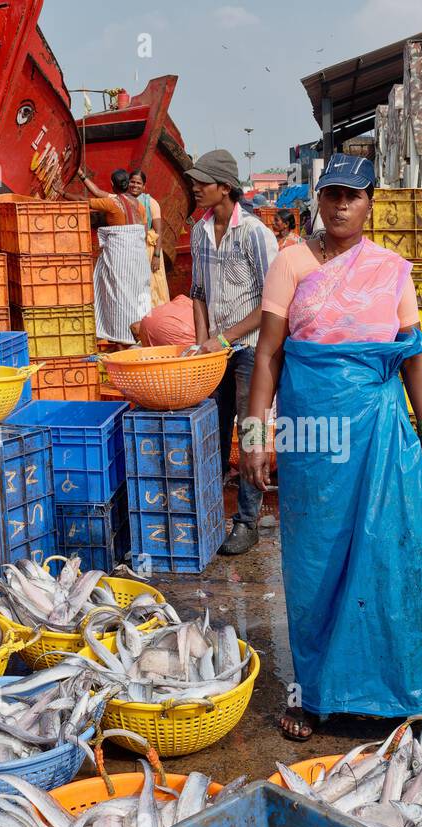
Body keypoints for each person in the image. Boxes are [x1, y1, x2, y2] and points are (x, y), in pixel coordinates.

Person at [241, 153, 422, 741]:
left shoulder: (392, 269)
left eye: (353, 195)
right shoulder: (290, 262)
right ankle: (313, 696)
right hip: (312, 440)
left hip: (381, 433)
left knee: (391, 556)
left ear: (370, 203)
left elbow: (413, 357)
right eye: (332, 193)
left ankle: (397, 694)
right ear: (318, 198)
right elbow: (267, 355)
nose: (341, 205)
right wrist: (255, 437)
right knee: (315, 563)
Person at [187, 149, 278, 556]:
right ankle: (210, 514)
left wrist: (224, 339)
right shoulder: (198, 232)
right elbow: (198, 294)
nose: (195, 187)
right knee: (213, 431)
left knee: (251, 431)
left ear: (225, 188)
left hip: (250, 349)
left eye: (202, 182)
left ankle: (247, 520)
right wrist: (203, 341)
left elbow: (272, 303)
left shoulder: (255, 233)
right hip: (216, 351)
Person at [74, 168, 151, 344]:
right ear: (128, 185)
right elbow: (143, 231)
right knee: (137, 294)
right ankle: (141, 334)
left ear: (112, 184)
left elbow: (82, 201)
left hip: (120, 256)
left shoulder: (111, 203)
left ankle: (120, 338)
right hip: (138, 257)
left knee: (117, 295)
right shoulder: (138, 205)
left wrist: (62, 192)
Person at [128, 169, 170, 309]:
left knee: (153, 286)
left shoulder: (151, 202)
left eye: (138, 183)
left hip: (149, 251)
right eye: (132, 182)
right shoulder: (124, 199)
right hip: (131, 250)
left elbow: (158, 231)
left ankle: (154, 321)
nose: (135, 185)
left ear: (144, 186)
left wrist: (157, 256)